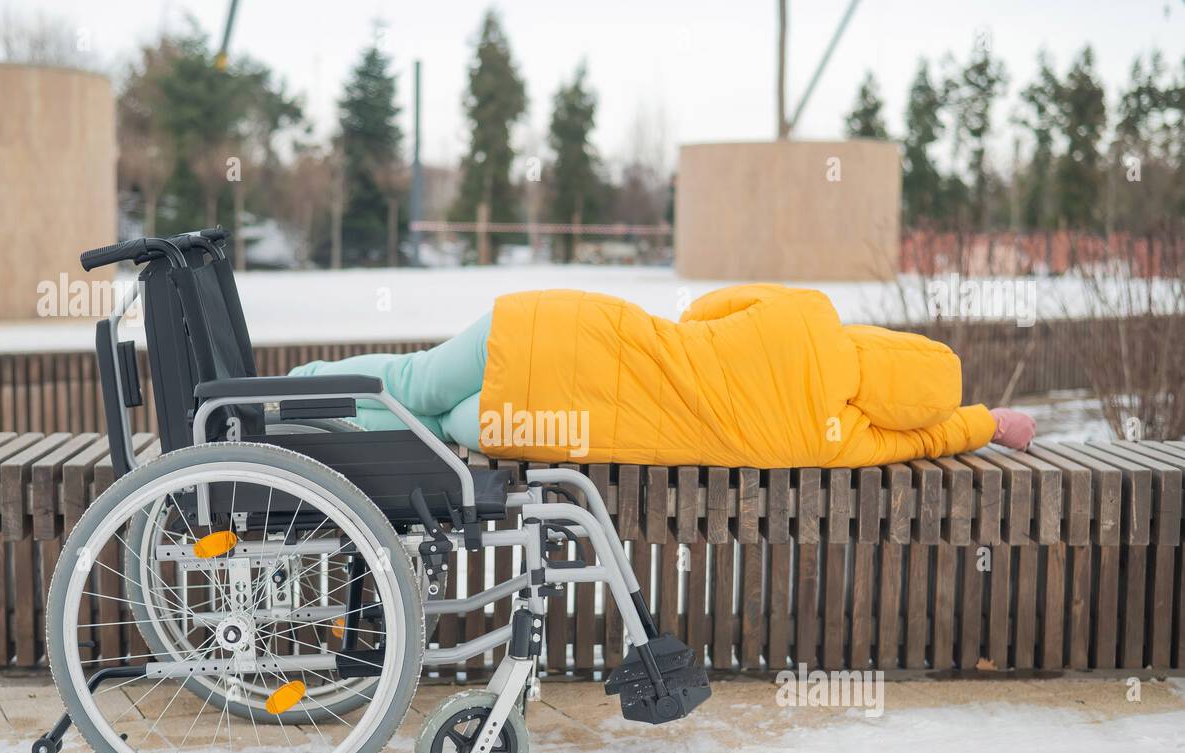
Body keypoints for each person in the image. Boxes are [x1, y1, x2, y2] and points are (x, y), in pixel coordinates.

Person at [291, 283, 1036, 468]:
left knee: (414, 377)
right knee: (434, 426)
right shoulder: (831, 439)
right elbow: (923, 444)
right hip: (558, 422)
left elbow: (710, 309)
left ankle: (286, 396)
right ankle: (308, 434)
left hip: (570, 328)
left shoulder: (808, 314)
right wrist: (989, 424)